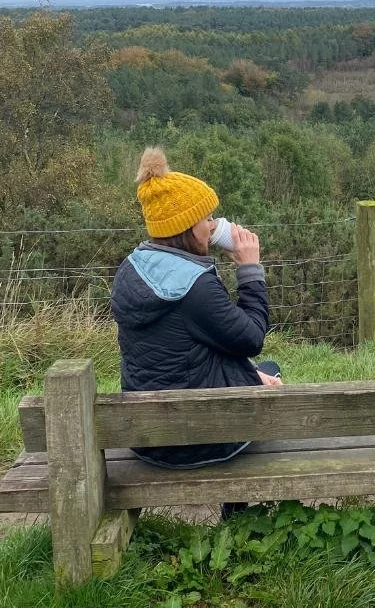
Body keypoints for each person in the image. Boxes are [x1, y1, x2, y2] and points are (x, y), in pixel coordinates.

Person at [110, 146, 280, 473]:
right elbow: (251, 339)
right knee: (271, 369)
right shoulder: (193, 286)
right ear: (188, 227)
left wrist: (250, 374)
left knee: (262, 371)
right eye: (207, 218)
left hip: (146, 436)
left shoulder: (130, 271)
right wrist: (250, 271)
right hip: (195, 440)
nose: (213, 225)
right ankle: (239, 517)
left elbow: (184, 349)